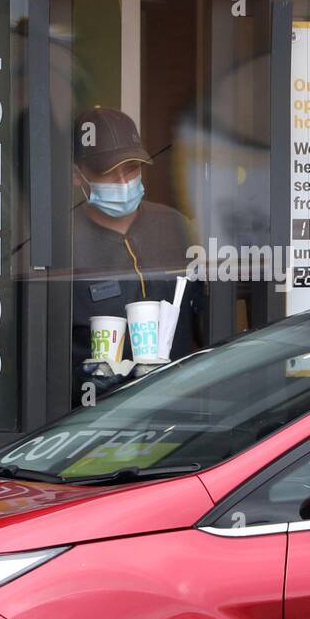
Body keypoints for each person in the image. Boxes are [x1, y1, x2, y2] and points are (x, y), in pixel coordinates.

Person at [69, 106, 201, 402]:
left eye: (131, 167)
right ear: (77, 175)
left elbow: (205, 314)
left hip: (179, 402)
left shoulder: (174, 225)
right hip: (97, 412)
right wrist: (79, 378)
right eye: (107, 171)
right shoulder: (62, 240)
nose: (123, 180)